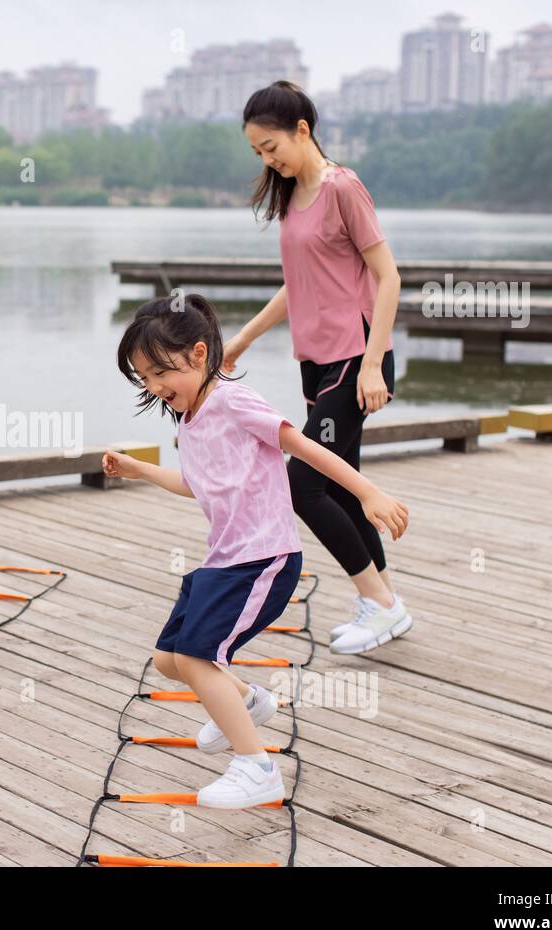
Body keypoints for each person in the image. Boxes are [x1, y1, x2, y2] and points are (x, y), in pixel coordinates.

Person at [103, 293, 408, 809]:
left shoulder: (233, 400)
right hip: (224, 560)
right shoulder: (189, 417)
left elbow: (306, 447)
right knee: (169, 659)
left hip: (264, 559)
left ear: (199, 354)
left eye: (161, 372)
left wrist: (367, 492)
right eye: (145, 378)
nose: (155, 387)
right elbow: (198, 485)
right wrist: (141, 470)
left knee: (198, 657)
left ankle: (257, 768)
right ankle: (245, 702)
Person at [226, 79, 412, 654]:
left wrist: (374, 365)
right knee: (341, 484)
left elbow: (389, 277)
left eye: (271, 146)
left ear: (302, 130)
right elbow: (299, 285)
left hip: (356, 359)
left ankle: (380, 604)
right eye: (257, 152)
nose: (267, 160)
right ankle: (384, 603)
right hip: (317, 361)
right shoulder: (292, 196)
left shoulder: (342, 188)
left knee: (302, 483)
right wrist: (241, 342)